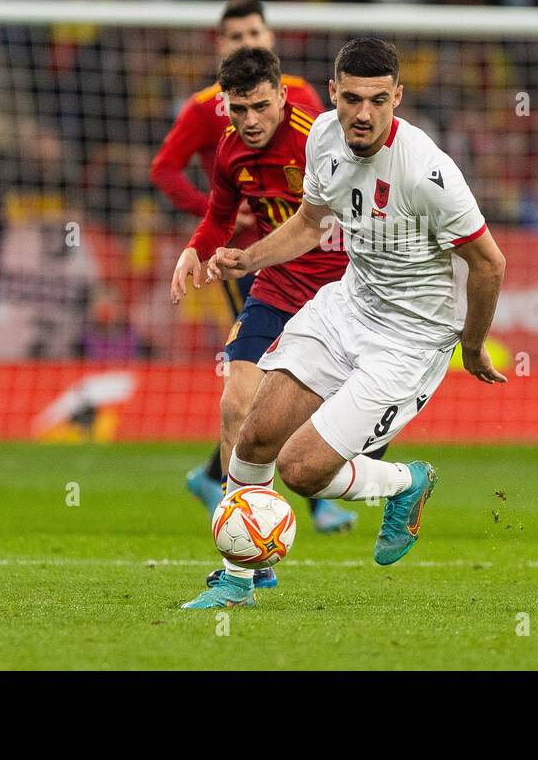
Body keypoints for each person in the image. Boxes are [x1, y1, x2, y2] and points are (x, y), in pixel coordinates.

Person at [182, 38, 507, 609]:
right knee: (254, 434)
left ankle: (407, 482)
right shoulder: (323, 139)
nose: (363, 113)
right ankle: (235, 582)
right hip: (348, 306)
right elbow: (310, 223)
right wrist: (247, 257)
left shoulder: (428, 171)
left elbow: (488, 262)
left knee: (301, 469)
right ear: (332, 93)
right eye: (351, 98)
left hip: (410, 340)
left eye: (378, 100)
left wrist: (473, 346)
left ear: (397, 98)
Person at [151, 0, 354, 533]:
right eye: (238, 110)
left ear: (283, 95)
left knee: (314, 416)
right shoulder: (227, 147)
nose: (250, 121)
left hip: (342, 290)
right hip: (275, 282)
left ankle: (365, 486)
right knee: (236, 402)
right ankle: (242, 548)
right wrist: (196, 247)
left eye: (261, 108)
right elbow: (217, 215)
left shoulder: (322, 138)